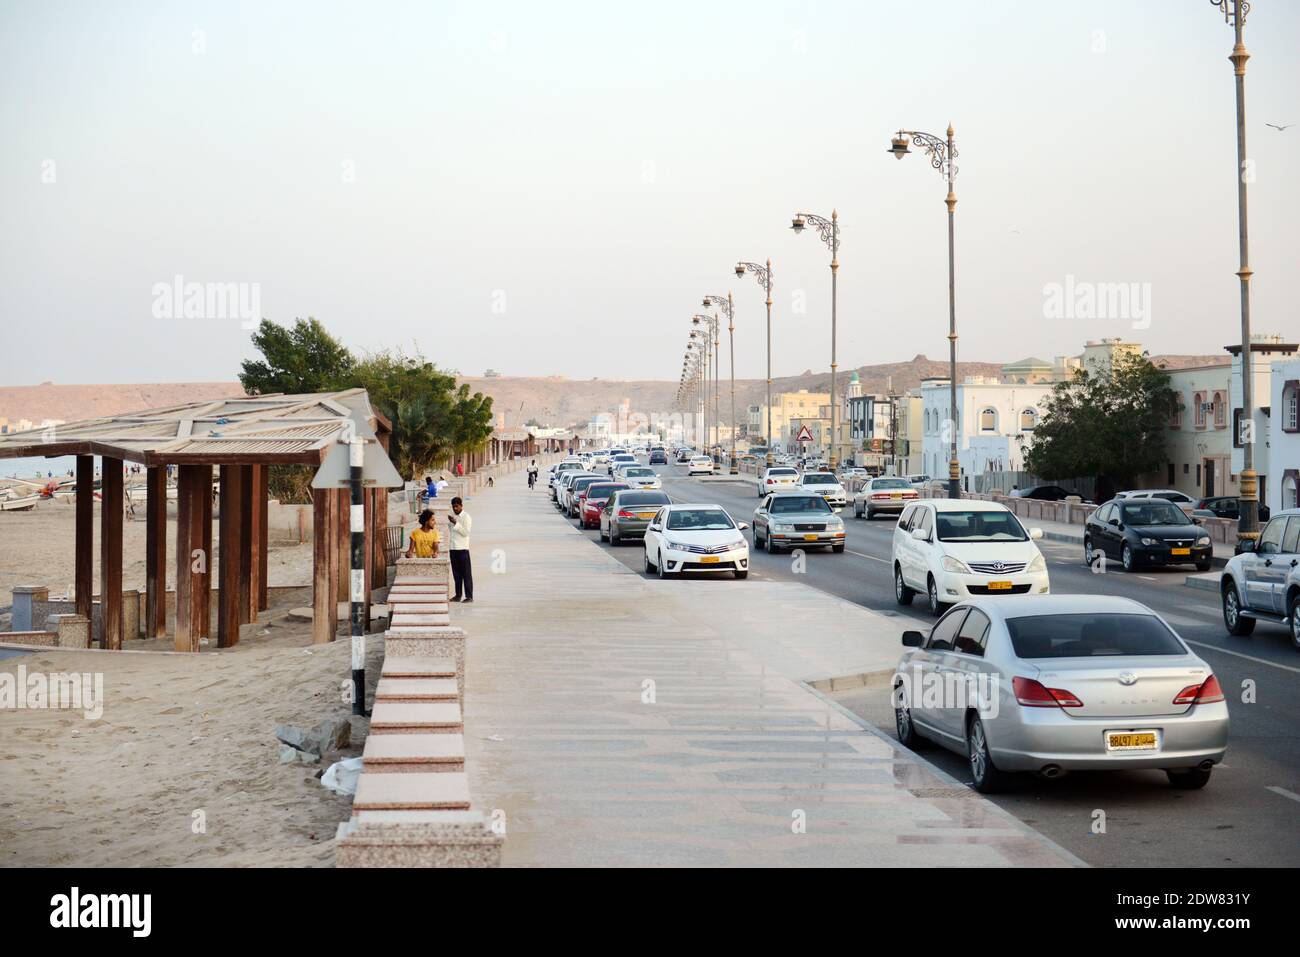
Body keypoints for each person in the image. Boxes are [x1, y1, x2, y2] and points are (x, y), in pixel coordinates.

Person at [447, 496, 473, 603]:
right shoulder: (453, 516)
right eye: (453, 507)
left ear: (461, 506)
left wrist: (455, 523)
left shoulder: (466, 517)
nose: (455, 509)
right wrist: (452, 522)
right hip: (453, 549)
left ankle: (469, 596)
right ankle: (458, 595)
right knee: (456, 574)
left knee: (466, 574)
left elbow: (465, 533)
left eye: (457, 507)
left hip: (463, 549)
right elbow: (451, 531)